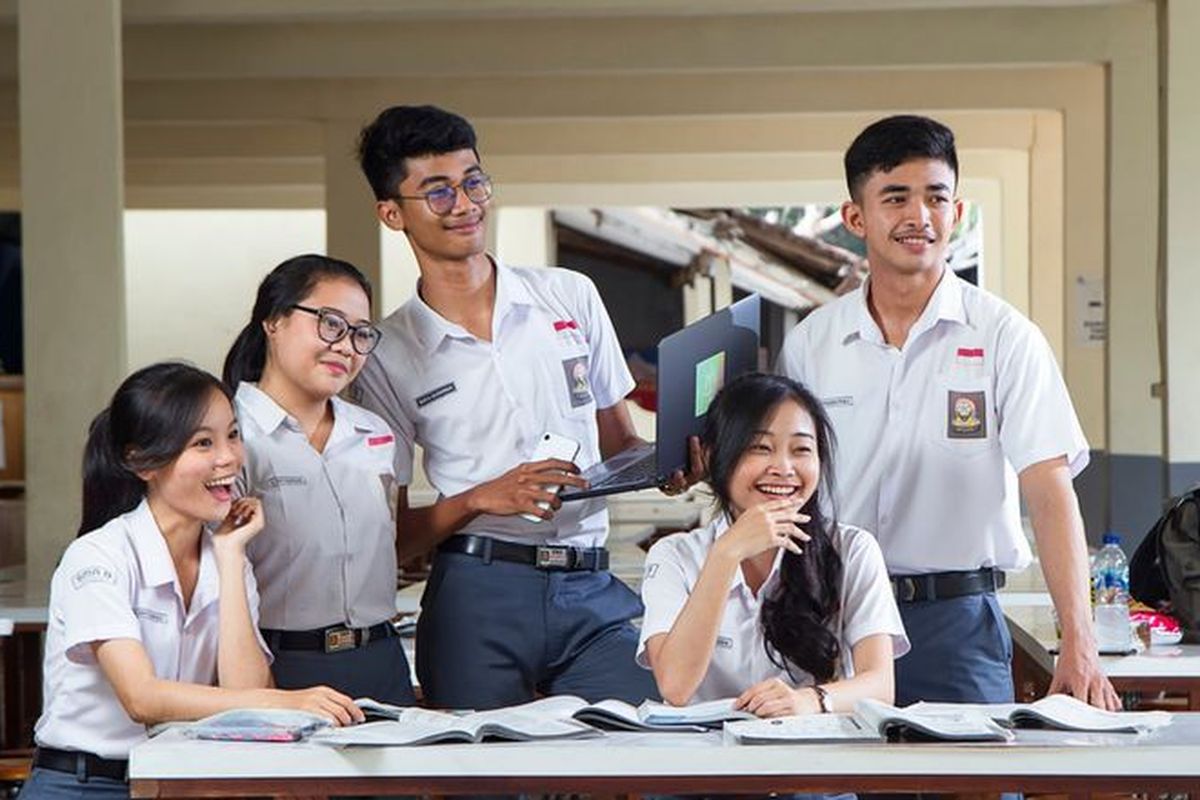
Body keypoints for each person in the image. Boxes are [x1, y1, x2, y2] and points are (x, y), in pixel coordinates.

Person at [352, 104, 695, 709]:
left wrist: (673, 460)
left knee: (657, 738)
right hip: (477, 593)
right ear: (390, 213)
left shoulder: (568, 294)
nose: (464, 204)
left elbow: (620, 444)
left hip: (592, 584)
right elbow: (394, 541)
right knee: (483, 778)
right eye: (437, 192)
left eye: (473, 181)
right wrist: (483, 497)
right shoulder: (387, 354)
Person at [778, 115, 1118, 709]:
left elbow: (1048, 486)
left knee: (977, 784)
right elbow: (782, 486)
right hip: (837, 616)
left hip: (958, 624)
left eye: (936, 197)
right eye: (896, 198)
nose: (920, 217)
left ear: (956, 213)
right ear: (856, 218)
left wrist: (1078, 641)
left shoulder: (1005, 337)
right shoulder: (812, 344)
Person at [22, 362, 361, 800]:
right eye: (203, 442)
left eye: (233, 435)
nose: (228, 458)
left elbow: (246, 695)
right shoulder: (98, 556)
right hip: (85, 785)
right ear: (142, 462)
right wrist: (287, 702)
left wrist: (230, 554)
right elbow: (141, 699)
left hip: (182, 781)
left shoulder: (227, 555)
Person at [640, 373, 907, 718]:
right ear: (713, 456)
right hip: (705, 759)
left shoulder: (852, 548)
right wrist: (726, 553)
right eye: (760, 448)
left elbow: (880, 685)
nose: (783, 468)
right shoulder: (674, 555)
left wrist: (809, 700)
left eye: (802, 450)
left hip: (814, 756)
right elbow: (676, 687)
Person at [223, 255, 417, 707]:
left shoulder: (376, 433)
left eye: (360, 333)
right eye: (330, 324)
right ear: (273, 320)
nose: (346, 346)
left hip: (380, 658)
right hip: (280, 662)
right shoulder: (230, 433)